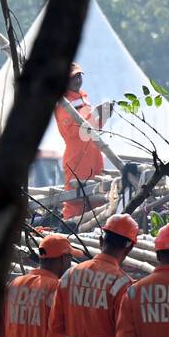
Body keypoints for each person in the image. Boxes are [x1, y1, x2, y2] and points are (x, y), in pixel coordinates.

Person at [54, 63, 106, 223]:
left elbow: (93, 127)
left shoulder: (83, 96)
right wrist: (96, 114)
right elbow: (73, 131)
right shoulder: (63, 102)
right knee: (76, 202)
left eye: (78, 76)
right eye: (73, 78)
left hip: (94, 153)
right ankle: (69, 227)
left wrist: (103, 115)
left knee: (98, 199)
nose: (77, 80)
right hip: (77, 157)